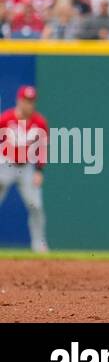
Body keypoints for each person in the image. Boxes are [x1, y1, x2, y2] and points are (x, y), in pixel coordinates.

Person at [0, 86, 49, 252]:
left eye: (32, 101)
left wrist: (39, 171)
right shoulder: (5, 119)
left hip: (27, 167)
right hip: (5, 164)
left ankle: (39, 245)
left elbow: (42, 148)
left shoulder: (39, 122)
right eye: (26, 101)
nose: (29, 104)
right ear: (19, 100)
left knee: (36, 205)